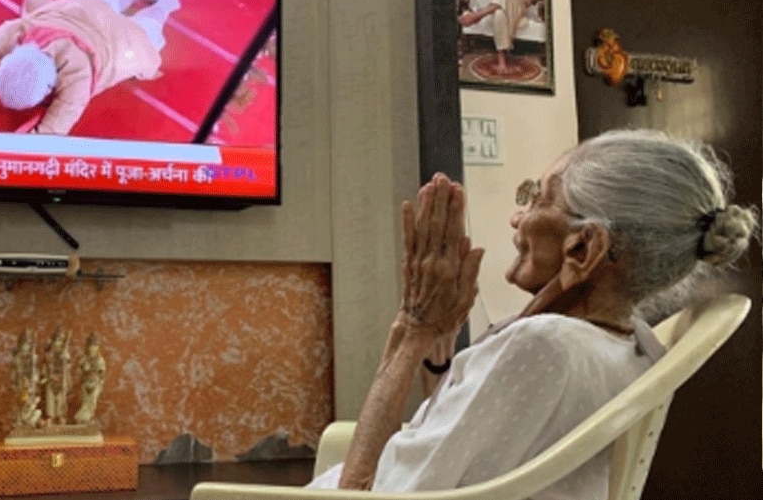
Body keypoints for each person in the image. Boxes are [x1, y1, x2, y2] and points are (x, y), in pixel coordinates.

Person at [308, 129, 757, 499]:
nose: (515, 218)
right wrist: (437, 348)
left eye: (537, 200)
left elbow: (362, 494)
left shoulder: (541, 347)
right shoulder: (632, 342)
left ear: (584, 247)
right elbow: (463, 441)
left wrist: (411, 327)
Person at [0, 0, 181, 135]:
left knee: (145, 33)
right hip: (78, 11)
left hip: (110, 41)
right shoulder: (9, 34)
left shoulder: (79, 75)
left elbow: (51, 131)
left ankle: (166, 3)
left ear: (48, 89)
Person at [458, 0, 541, 75]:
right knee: (498, 14)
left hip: (518, 8)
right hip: (502, 8)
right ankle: (501, 61)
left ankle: (478, 15)